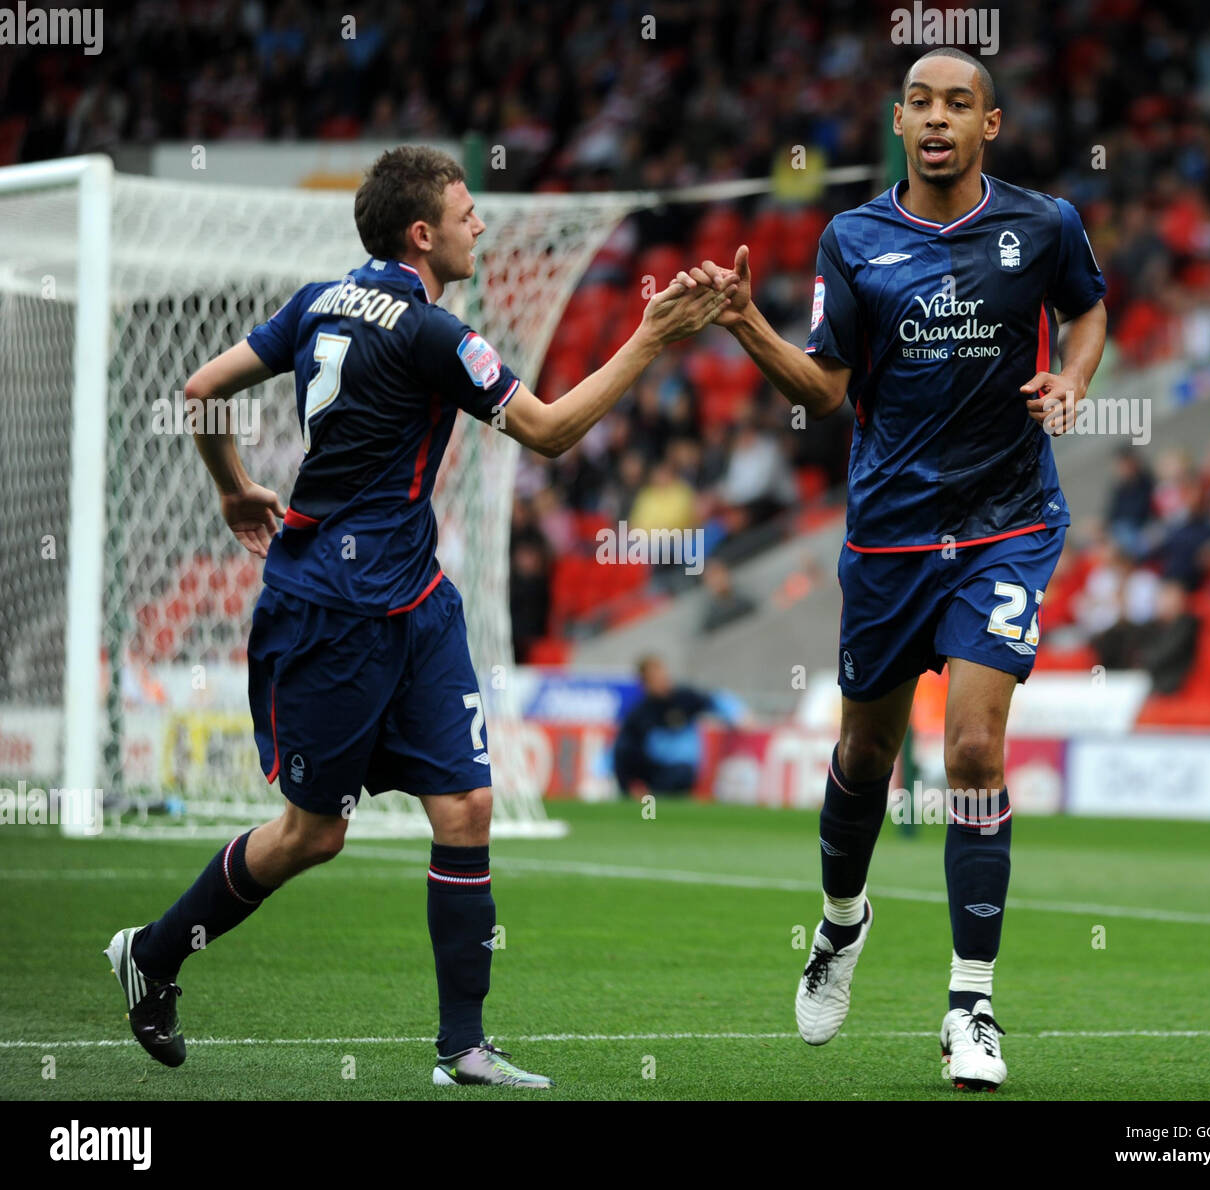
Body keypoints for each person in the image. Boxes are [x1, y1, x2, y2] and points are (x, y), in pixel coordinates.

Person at [103, 146, 734, 1090]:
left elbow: (201, 390)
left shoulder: (318, 299)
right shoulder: (435, 332)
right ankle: (152, 954)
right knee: (312, 835)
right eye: (467, 209)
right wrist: (651, 338)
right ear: (422, 233)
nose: (481, 223)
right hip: (331, 612)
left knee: (469, 806)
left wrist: (234, 488)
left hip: (414, 604)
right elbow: (553, 433)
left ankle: (463, 1047)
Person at [696, 48, 1107, 1091]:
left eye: (956, 104)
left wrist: (1073, 377)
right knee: (865, 754)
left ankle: (971, 1005)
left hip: (1008, 523)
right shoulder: (853, 238)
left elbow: (1091, 307)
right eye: (920, 102)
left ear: (990, 125)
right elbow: (826, 391)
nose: (936, 118)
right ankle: (840, 923)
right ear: (896, 120)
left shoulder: (1044, 224)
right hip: (888, 535)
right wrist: (747, 321)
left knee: (973, 747)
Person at [613, 656, 742, 796]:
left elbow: (716, 700)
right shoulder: (640, 712)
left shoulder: (685, 698)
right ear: (645, 683)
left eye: (662, 675)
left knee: (681, 773)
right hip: (653, 769)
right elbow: (624, 750)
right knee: (624, 751)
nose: (662, 680)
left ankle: (654, 794)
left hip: (681, 769)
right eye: (654, 678)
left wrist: (738, 715)